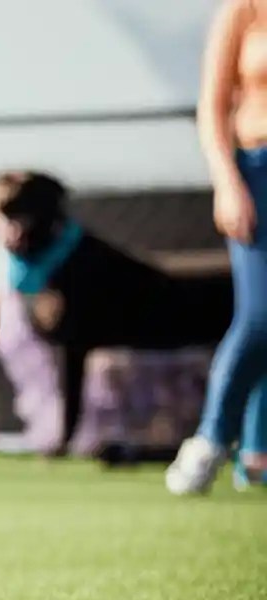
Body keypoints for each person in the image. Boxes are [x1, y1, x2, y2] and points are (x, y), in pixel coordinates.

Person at [167, 0, 267, 494]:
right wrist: (228, 182)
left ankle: (257, 452)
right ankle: (210, 439)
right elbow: (213, 105)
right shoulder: (243, 9)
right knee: (260, 316)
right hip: (257, 170)